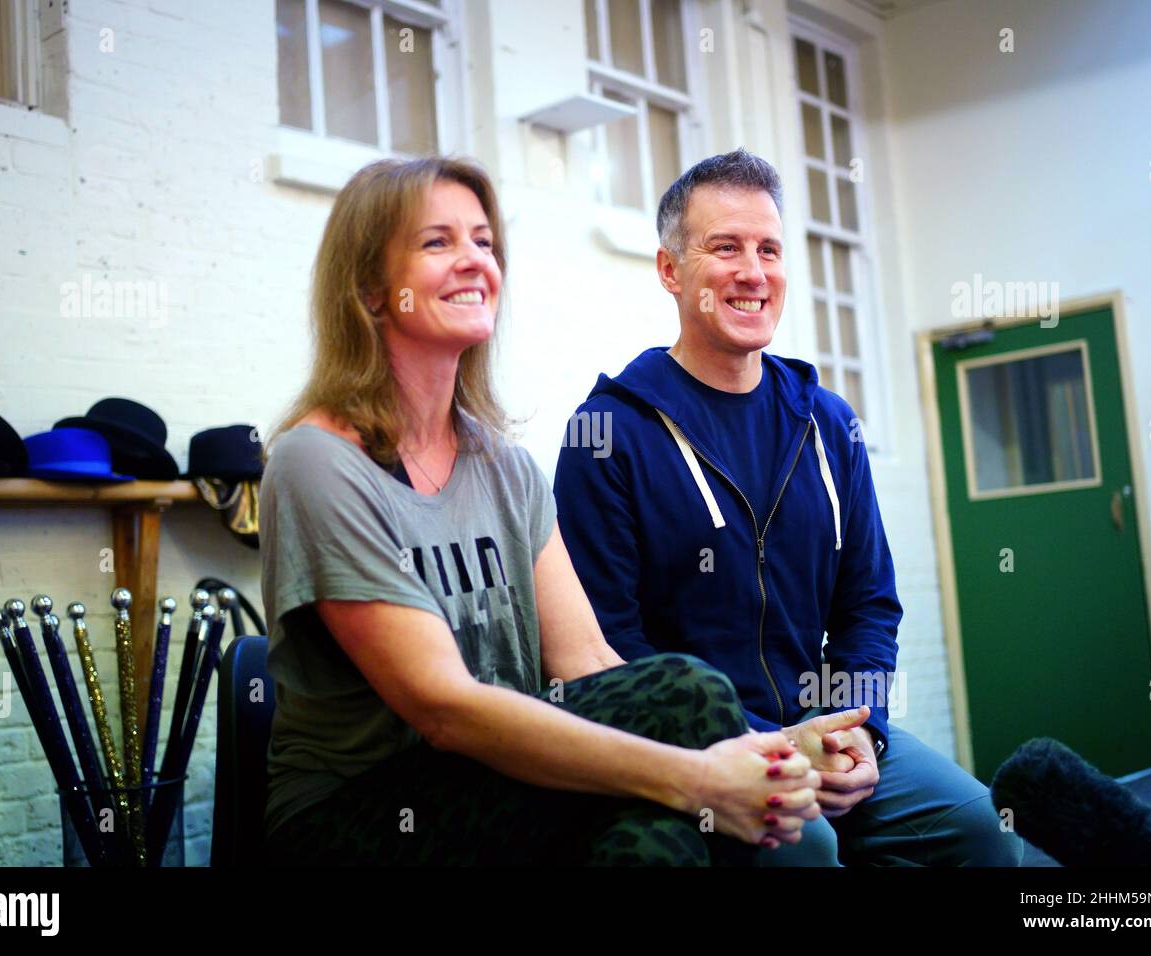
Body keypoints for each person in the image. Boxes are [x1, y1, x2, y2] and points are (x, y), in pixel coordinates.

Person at [258, 155, 832, 866]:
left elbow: (588, 665)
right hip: (355, 818)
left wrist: (765, 751)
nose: (473, 261)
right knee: (689, 699)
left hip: (502, 783)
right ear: (373, 289)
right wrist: (699, 778)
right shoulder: (316, 462)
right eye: (438, 242)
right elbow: (443, 709)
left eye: (484, 242)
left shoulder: (505, 467)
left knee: (655, 833)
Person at [553, 149, 1025, 867]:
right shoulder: (609, 435)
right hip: (703, 749)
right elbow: (613, 649)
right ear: (670, 271)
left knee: (979, 827)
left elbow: (869, 605)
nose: (753, 272)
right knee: (803, 845)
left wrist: (859, 732)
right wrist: (756, 744)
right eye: (725, 248)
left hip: (825, 728)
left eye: (769, 250)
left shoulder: (827, 423)